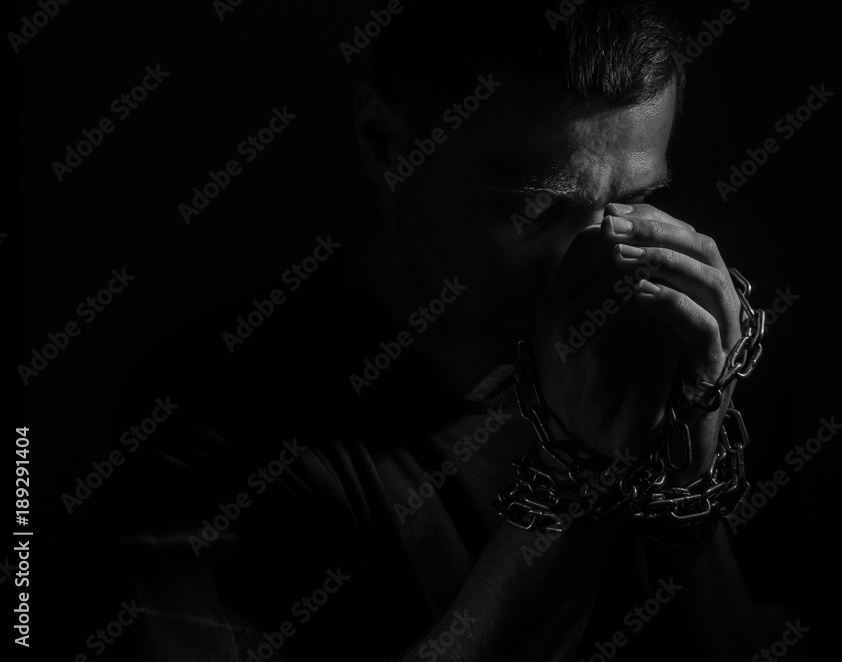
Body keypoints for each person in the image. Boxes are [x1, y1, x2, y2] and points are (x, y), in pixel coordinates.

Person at [103, 1, 785, 659]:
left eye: (633, 201)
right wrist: (572, 474)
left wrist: (686, 466)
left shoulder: (638, 357)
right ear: (384, 143)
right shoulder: (213, 426)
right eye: (531, 207)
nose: (591, 266)